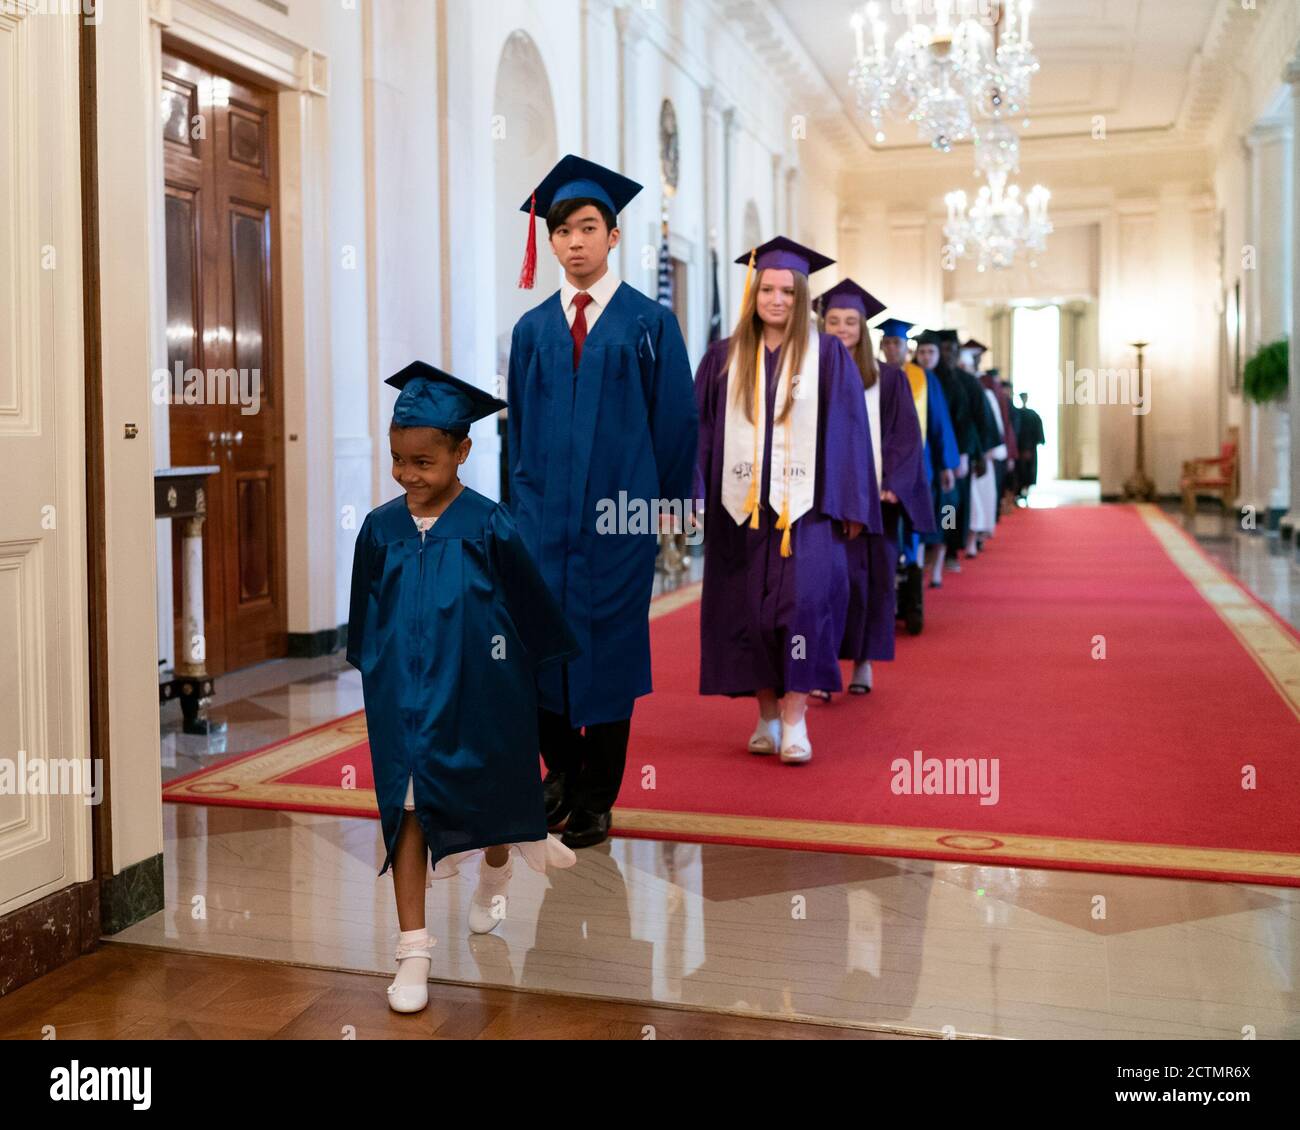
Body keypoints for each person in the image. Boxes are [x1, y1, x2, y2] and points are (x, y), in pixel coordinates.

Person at [347, 361, 580, 1014]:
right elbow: (364, 622)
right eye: (398, 460)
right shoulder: (379, 529)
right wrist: (378, 678)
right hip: (404, 703)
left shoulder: (488, 524)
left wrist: (525, 683)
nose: (408, 474)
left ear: (462, 452)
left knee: (493, 794)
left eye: (423, 461)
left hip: (480, 690)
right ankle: (413, 950)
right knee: (409, 809)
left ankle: (496, 870)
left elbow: (531, 610)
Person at [508, 155, 698, 849]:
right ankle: (558, 774)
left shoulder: (650, 325)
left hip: (621, 525)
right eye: (563, 231)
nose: (576, 242)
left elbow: (675, 424)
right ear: (551, 243)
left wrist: (670, 512)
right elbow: (519, 434)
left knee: (610, 650)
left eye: (589, 227)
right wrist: (519, 515)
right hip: (542, 524)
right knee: (540, 651)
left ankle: (596, 795)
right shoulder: (532, 332)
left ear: (613, 236)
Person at [694, 237, 877, 764]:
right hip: (741, 512)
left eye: (788, 292)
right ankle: (766, 715)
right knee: (750, 613)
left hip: (809, 514)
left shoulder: (829, 358)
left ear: (802, 299)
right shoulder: (723, 359)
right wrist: (695, 496)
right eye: (767, 289)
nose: (776, 300)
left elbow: (849, 433)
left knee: (805, 610)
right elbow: (701, 434)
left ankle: (796, 721)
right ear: (753, 293)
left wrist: (852, 507)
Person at [813, 281, 934, 697]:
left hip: (875, 504)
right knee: (823, 585)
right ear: (821, 324)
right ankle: (822, 666)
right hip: (821, 501)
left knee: (871, 583)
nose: (842, 328)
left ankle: (863, 662)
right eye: (834, 321)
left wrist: (892, 486)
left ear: (864, 328)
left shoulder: (888, 379)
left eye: (851, 322)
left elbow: (905, 437)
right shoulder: (808, 375)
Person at [879, 319, 957, 625]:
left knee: (911, 527)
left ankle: (911, 588)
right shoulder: (872, 374)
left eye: (897, 343)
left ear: (906, 347)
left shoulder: (922, 378)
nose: (892, 348)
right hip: (878, 468)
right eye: (887, 343)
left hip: (916, 465)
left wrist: (948, 463)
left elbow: (939, 422)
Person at [1015, 391, 1046, 501]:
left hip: (1029, 448)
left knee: (1027, 471)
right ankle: (1020, 492)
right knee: (1021, 471)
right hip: (1019, 448)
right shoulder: (1017, 413)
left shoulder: (1032, 414)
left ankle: (1025, 492)